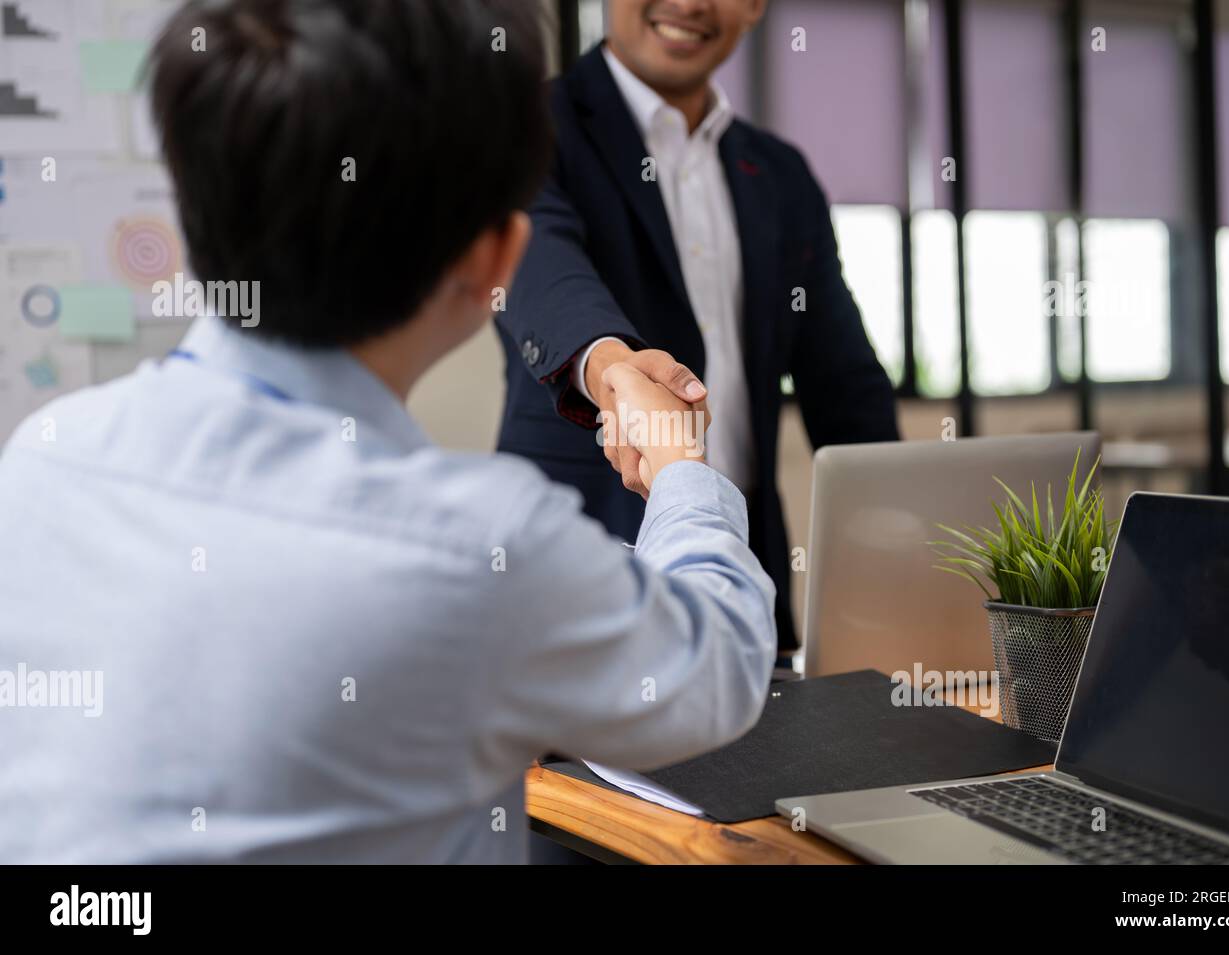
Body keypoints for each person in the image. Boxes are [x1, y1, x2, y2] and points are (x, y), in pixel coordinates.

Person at [0, 0, 774, 864]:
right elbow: (719, 672)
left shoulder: (42, 458)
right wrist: (679, 470)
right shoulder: (477, 546)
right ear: (492, 262)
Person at [496, 0, 900, 655]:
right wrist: (615, 370)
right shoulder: (530, 126)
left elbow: (847, 388)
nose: (688, 3)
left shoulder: (782, 174)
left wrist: (908, 540)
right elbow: (539, 267)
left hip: (745, 581)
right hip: (573, 577)